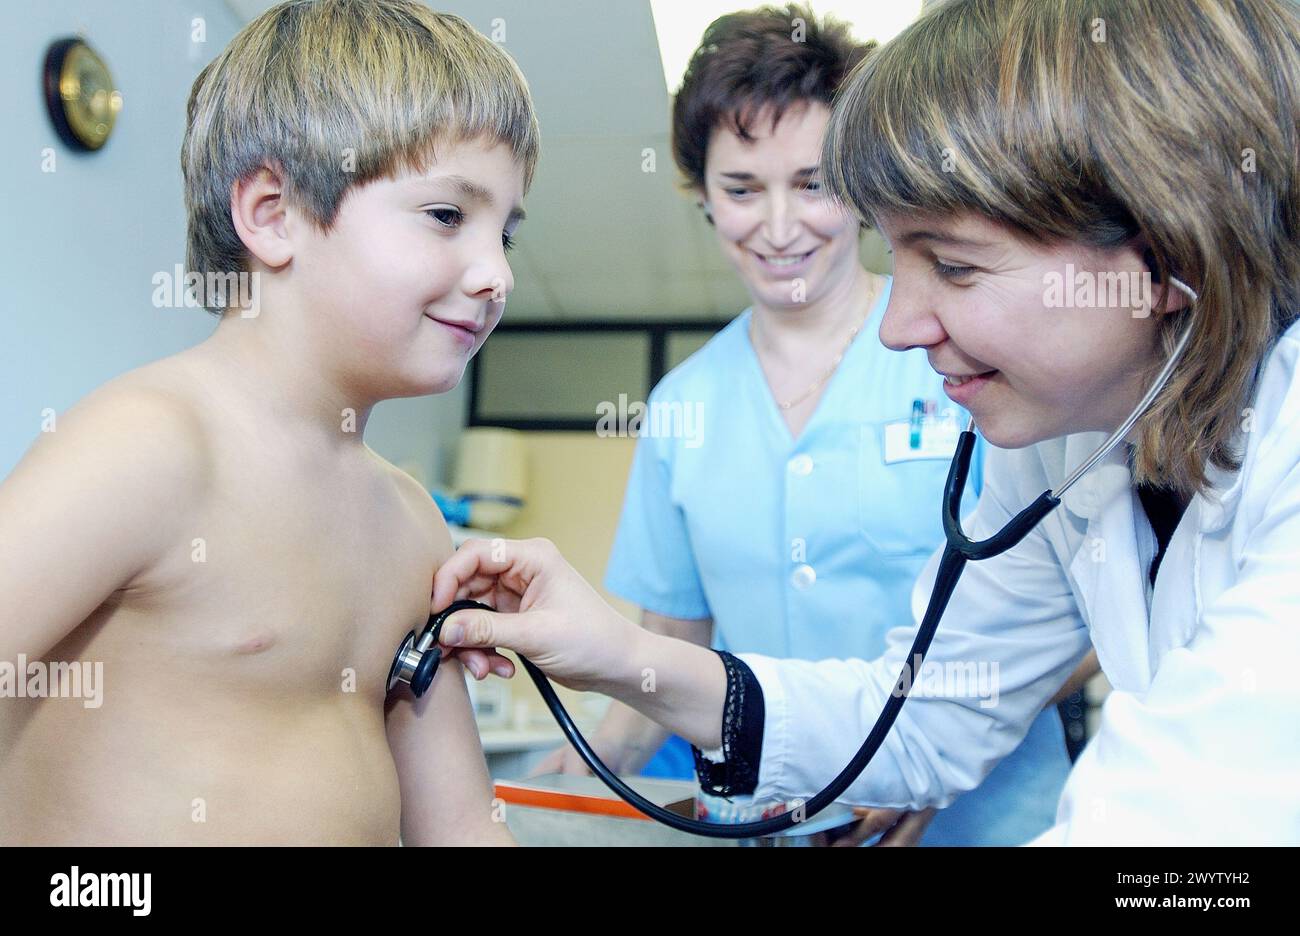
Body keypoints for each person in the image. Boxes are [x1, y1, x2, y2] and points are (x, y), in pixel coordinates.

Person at [432, 0, 1300, 844]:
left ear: (1168, 254)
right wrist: (620, 656)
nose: (899, 329)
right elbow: (919, 719)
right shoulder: (1059, 443)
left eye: (953, 267)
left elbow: (1193, 829)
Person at [532, 4, 1076, 846]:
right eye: (742, 189)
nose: (780, 227)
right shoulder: (682, 406)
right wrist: (581, 777)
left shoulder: (974, 356)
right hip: (778, 826)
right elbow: (670, 647)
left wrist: (936, 754)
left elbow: (1083, 606)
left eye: (813, 183)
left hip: (993, 820)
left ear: (861, 185)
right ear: (702, 196)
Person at [0, 0, 535, 845]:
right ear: (274, 213)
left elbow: (462, 826)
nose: (495, 274)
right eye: (447, 216)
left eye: (507, 233)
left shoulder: (412, 524)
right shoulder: (147, 448)